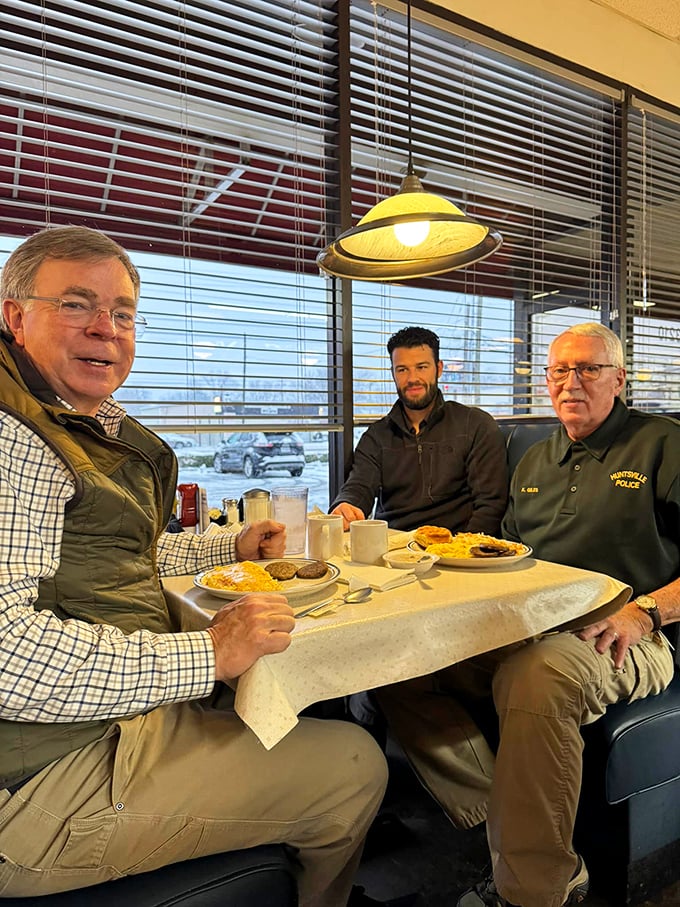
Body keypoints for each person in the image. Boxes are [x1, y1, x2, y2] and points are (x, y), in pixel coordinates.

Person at [0, 225, 389, 906]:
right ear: (15, 315)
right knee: (356, 763)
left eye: (122, 313)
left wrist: (229, 547)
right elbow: (7, 653)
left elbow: (116, 552)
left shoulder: (65, 420)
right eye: (76, 304)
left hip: (86, 725)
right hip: (37, 779)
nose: (104, 328)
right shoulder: (17, 436)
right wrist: (204, 655)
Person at [377, 322, 680, 907]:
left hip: (629, 630)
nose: (573, 382)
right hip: (531, 622)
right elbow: (510, 559)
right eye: (560, 370)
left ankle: (541, 889)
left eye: (589, 369)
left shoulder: (662, 443)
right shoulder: (535, 460)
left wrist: (646, 614)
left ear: (618, 378)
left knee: (534, 675)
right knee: (398, 660)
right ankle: (508, 821)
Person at [330, 326, 508, 534]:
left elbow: (491, 505)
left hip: (455, 549)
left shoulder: (475, 424)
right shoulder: (376, 436)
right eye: (402, 369)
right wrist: (346, 505)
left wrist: (465, 551)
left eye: (422, 367)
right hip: (393, 550)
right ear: (393, 374)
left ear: (439, 369)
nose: (412, 378)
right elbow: (359, 486)